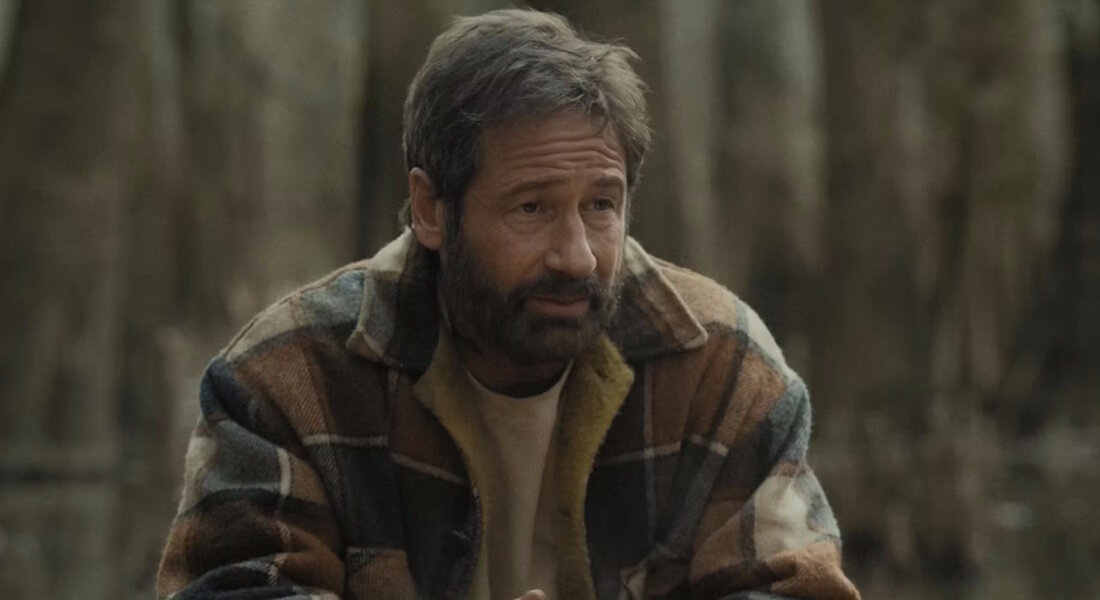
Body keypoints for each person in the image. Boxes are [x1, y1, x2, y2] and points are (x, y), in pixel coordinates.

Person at [156, 9, 859, 600]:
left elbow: (790, 588)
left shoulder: (720, 368)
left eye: (602, 206)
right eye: (532, 208)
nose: (578, 256)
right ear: (431, 209)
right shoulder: (287, 380)